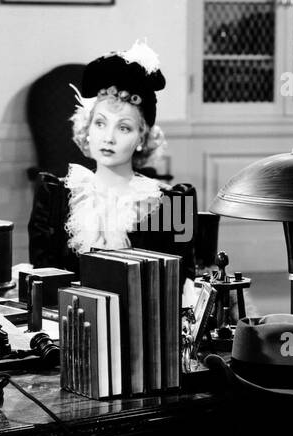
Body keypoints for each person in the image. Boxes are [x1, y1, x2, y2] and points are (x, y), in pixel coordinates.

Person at [28, 41, 196, 276]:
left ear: (142, 138)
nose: (108, 137)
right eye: (100, 123)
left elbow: (181, 283)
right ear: (87, 130)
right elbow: (43, 279)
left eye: (124, 128)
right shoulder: (55, 197)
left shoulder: (172, 203)